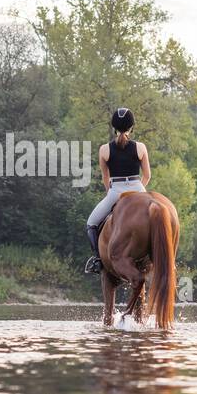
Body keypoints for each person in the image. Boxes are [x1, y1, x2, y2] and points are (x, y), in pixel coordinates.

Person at [83, 107, 152, 274]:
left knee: (91, 223)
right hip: (138, 188)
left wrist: (111, 193)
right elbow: (147, 175)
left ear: (114, 127)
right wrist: (138, 193)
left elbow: (105, 178)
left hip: (116, 190)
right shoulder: (140, 147)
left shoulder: (104, 150)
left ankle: (98, 260)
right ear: (131, 127)